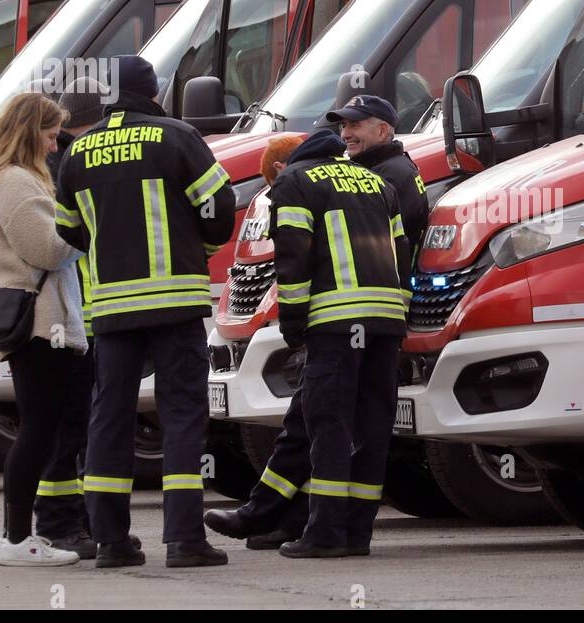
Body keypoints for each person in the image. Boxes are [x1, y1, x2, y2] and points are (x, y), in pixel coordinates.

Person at [204, 96, 429, 551]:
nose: (348, 133)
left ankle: (322, 532)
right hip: (383, 322)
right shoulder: (377, 182)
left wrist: (293, 326)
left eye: (358, 124)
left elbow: (293, 260)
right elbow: (402, 256)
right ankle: (337, 529)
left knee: (326, 424)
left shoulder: (298, 184)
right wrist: (398, 318)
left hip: (336, 322)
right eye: (343, 127)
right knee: (364, 426)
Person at [55, 55, 235, 568]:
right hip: (175, 300)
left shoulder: (77, 152)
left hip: (111, 308)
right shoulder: (175, 136)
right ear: (153, 92)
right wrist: (193, 240)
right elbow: (218, 208)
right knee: (182, 414)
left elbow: (67, 230)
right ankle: (184, 540)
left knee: (108, 417)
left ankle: (110, 541)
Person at [0, 92, 86, 567]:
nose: (54, 140)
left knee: (51, 427)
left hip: (48, 323)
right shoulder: (15, 181)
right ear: (28, 131)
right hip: (43, 325)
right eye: (48, 130)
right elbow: (47, 249)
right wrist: (87, 230)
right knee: (39, 430)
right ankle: (16, 540)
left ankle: (22, 537)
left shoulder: (12, 177)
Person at [31, 79, 126, 559]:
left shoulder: (57, 161)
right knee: (71, 425)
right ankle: (60, 523)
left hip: (77, 313)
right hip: (75, 314)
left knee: (76, 424)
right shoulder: (71, 162)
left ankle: (74, 521)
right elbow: (61, 242)